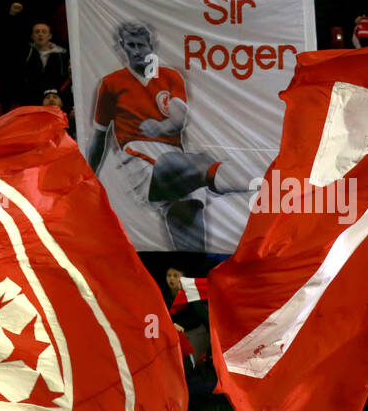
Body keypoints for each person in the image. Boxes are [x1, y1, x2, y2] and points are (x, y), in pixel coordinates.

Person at [86, 21, 252, 250]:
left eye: (140, 45)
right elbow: (99, 138)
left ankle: (192, 279)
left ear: (150, 46)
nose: (135, 51)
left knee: (191, 239)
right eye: (130, 45)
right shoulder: (110, 83)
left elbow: (178, 117)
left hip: (175, 155)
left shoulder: (170, 76)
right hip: (138, 153)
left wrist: (163, 127)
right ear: (122, 46)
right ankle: (263, 181)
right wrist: (88, 178)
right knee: (199, 162)